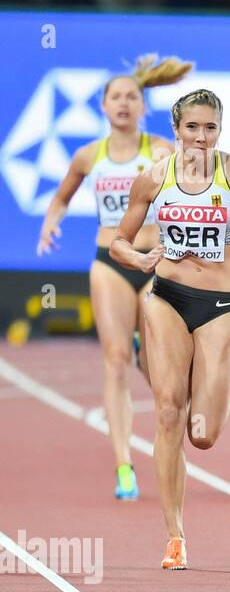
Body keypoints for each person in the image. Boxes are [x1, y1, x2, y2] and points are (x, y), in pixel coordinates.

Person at [112, 89, 230, 569]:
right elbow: (118, 242)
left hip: (219, 307)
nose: (200, 137)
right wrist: (137, 256)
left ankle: (199, 381)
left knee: (204, 434)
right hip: (167, 298)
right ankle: (175, 536)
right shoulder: (154, 178)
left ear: (219, 131)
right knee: (169, 414)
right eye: (191, 127)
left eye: (209, 128)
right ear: (176, 130)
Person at [36, 54, 192, 500]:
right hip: (110, 261)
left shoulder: (159, 150)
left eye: (131, 97)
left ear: (143, 107)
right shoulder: (90, 156)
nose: (123, 103)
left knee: (160, 366)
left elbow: (193, 181)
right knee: (115, 359)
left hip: (155, 261)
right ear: (104, 107)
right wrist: (52, 221)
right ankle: (124, 465)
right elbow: (62, 197)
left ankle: (165, 384)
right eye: (115, 97)